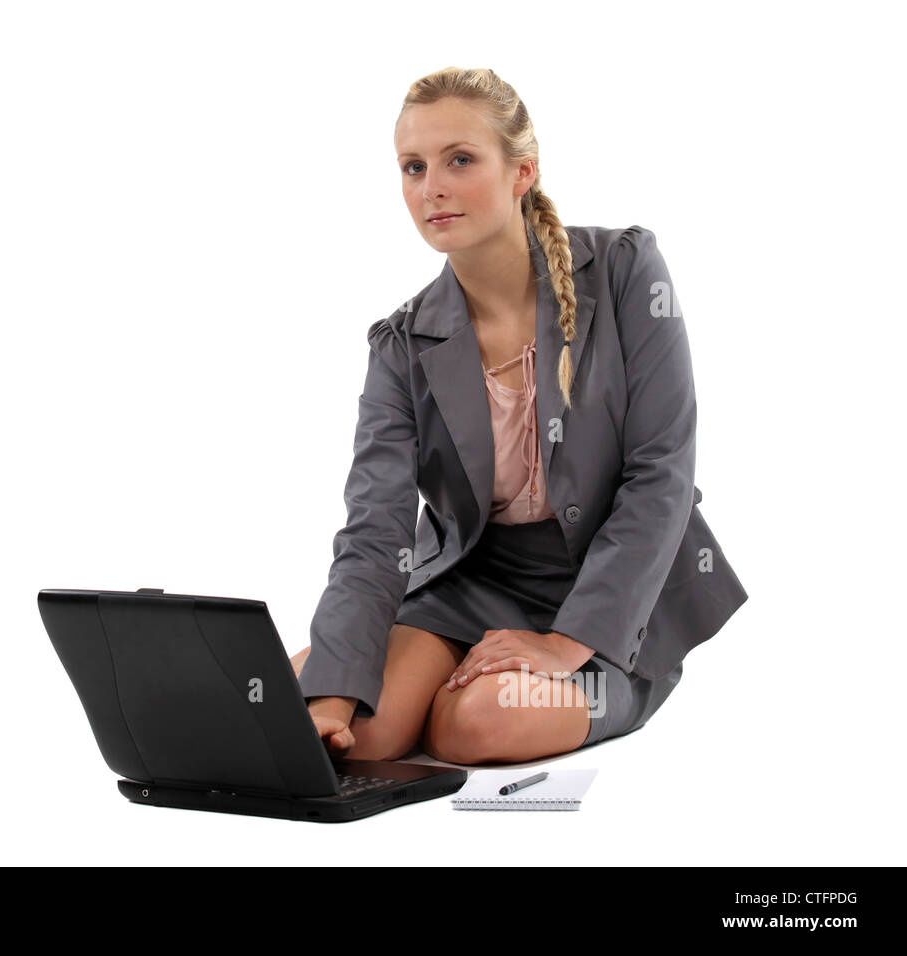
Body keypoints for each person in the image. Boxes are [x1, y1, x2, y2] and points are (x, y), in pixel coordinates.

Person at [290, 67, 747, 766]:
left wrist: (565, 645)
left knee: (478, 724)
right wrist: (333, 688)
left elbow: (662, 477)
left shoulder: (625, 270)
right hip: (470, 589)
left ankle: (447, 686)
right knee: (363, 734)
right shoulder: (401, 342)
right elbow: (375, 531)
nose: (430, 187)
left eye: (460, 160)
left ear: (521, 172)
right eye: (413, 167)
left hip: (618, 599)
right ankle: (343, 670)